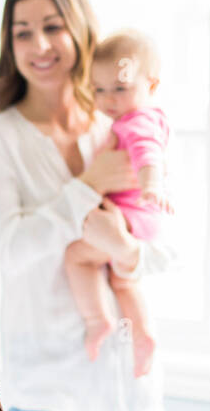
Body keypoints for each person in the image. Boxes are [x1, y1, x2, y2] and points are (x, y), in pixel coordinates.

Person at [0, 0, 176, 411]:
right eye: (22, 32)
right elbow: (11, 249)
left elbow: (165, 245)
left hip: (125, 376)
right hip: (44, 380)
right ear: (9, 45)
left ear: (79, 31)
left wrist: (128, 255)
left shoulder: (119, 123)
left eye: (53, 26)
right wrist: (85, 189)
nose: (39, 45)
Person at [63, 30, 172, 377]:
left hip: (128, 215)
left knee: (76, 257)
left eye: (121, 88)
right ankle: (143, 333)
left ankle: (98, 320)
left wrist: (151, 185)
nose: (109, 99)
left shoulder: (136, 122)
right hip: (138, 219)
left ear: (151, 86)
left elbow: (147, 153)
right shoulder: (147, 118)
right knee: (124, 281)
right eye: (100, 89)